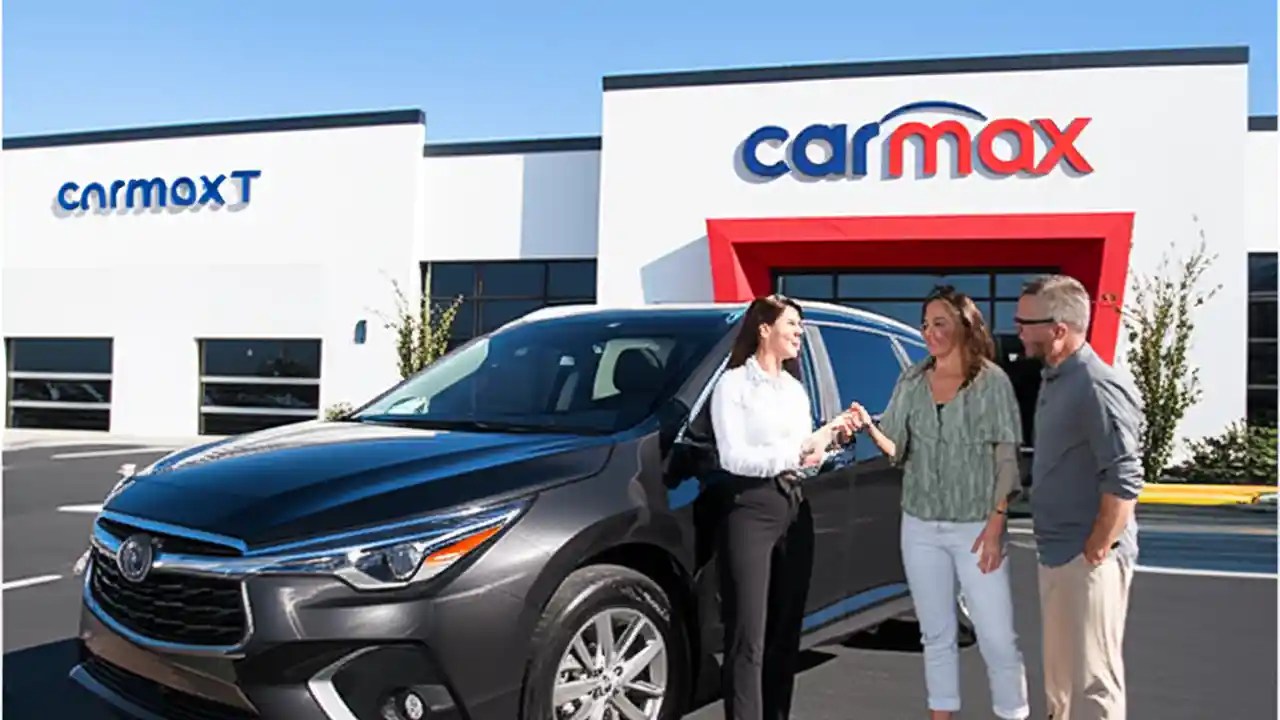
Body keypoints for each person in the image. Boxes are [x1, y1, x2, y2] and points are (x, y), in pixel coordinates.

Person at [847, 285, 1030, 720]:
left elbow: (1006, 457)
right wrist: (869, 428)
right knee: (935, 635)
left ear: (964, 327)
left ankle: (1013, 712)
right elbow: (898, 450)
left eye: (939, 323)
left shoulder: (992, 383)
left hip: (976, 526)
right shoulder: (911, 380)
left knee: (995, 635)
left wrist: (995, 525)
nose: (929, 332)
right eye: (925, 324)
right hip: (921, 525)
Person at [708, 293, 853, 720]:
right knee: (747, 636)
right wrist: (795, 454)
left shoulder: (794, 390)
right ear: (764, 329)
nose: (799, 333)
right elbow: (732, 457)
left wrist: (829, 441)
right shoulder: (733, 385)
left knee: (785, 635)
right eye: (792, 324)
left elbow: (806, 456)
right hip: (751, 508)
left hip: (794, 506)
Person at [1015, 274, 1144, 720]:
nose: (1018, 330)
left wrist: (1098, 548)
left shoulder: (1096, 384)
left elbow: (1124, 477)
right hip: (1057, 551)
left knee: (1093, 682)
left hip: (1087, 559)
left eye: (1025, 322)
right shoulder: (1056, 379)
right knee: (1060, 682)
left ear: (1058, 329)